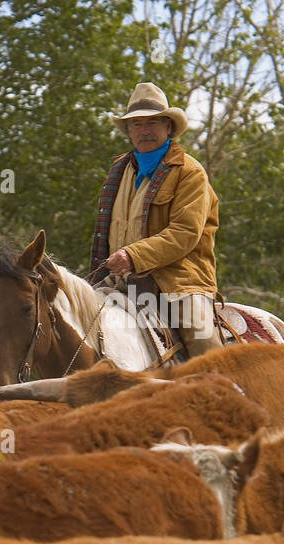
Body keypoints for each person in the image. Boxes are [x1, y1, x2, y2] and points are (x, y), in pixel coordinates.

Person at [88, 82, 224, 357]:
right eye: (136, 124)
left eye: (153, 122)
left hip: (178, 282)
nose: (144, 130)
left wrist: (132, 255)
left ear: (169, 128)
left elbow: (184, 233)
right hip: (119, 281)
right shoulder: (119, 171)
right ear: (128, 131)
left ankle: (224, 392)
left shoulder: (189, 172)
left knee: (201, 341)